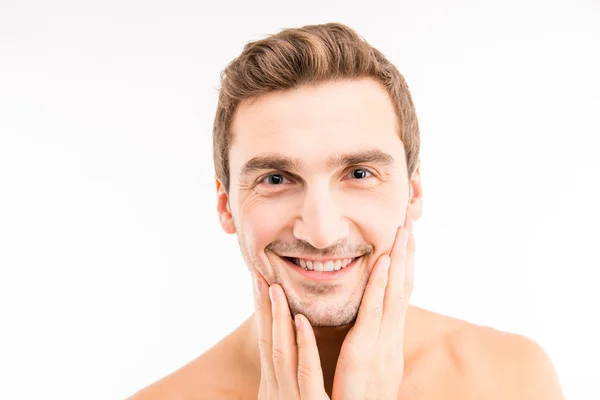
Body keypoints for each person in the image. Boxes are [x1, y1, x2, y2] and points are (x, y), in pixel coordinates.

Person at [129, 22, 564, 399]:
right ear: (226, 205)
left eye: (358, 174)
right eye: (276, 179)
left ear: (413, 193)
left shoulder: (511, 380)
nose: (322, 232)